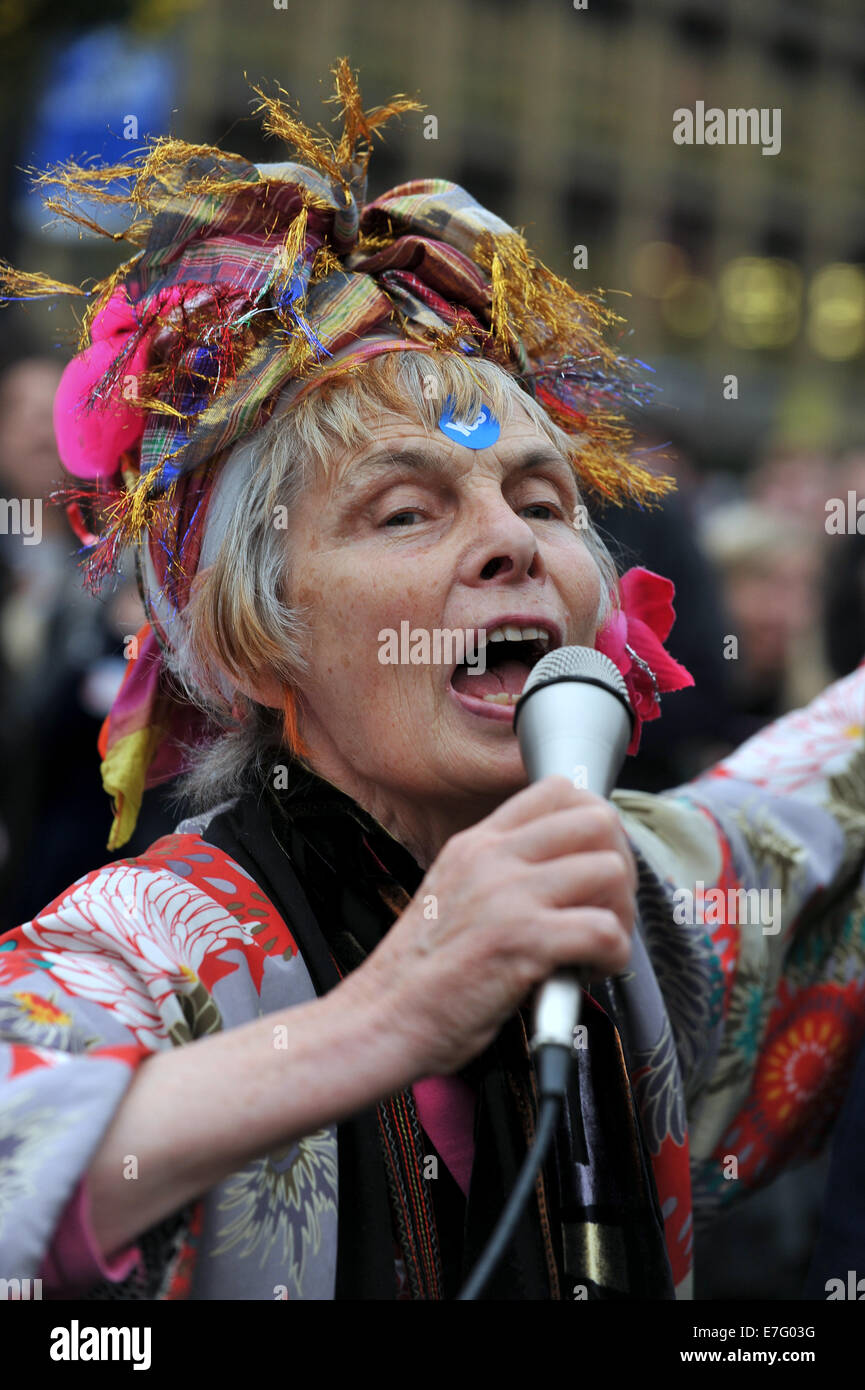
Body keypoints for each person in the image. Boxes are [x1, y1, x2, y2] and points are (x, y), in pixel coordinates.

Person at [1, 60, 865, 1302]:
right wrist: (393, 1012)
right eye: (404, 511)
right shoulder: (142, 949)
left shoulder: (643, 905)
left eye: (541, 499)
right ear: (255, 636)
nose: (512, 541)